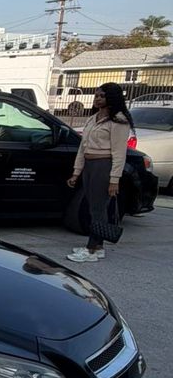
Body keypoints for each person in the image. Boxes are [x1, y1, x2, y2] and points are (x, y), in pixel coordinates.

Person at [66, 82, 131, 263]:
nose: (97, 99)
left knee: (98, 208)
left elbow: (119, 153)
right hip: (89, 164)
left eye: (102, 96)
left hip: (104, 165)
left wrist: (114, 180)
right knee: (92, 205)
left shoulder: (118, 120)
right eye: (96, 95)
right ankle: (98, 246)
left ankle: (91, 249)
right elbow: (82, 147)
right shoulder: (93, 118)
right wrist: (76, 172)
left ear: (112, 98)